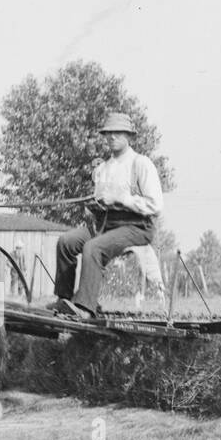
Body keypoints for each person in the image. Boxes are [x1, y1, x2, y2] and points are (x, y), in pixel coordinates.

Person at [53, 112, 165, 319]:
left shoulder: (141, 164)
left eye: (118, 133)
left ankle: (85, 308)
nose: (112, 137)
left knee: (93, 247)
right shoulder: (102, 169)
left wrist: (122, 198)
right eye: (108, 133)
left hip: (136, 227)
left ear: (129, 136)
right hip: (106, 225)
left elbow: (156, 205)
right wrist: (93, 205)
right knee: (66, 242)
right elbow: (100, 203)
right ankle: (64, 299)